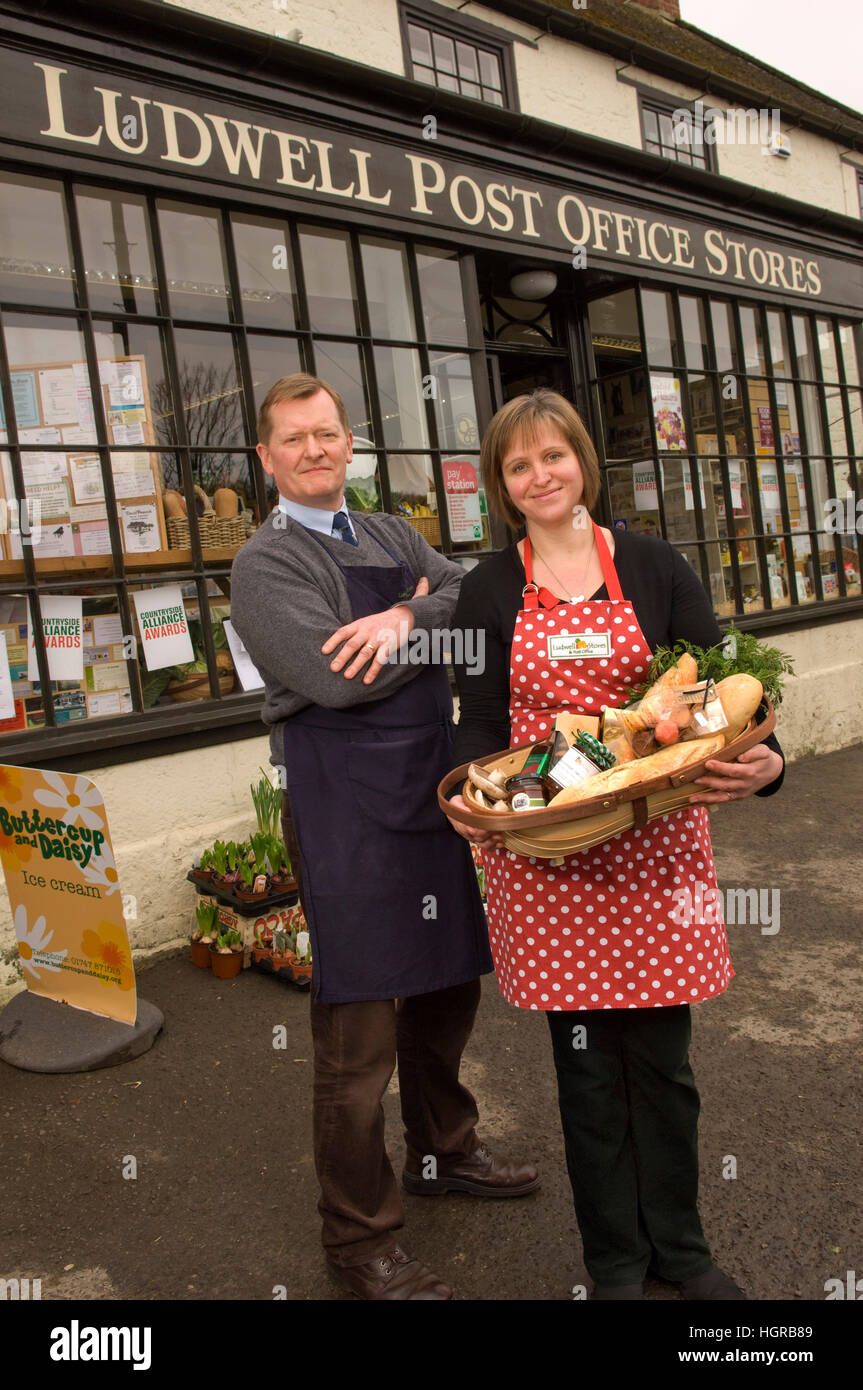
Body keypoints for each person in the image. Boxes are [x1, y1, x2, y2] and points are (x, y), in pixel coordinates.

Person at [447, 389, 785, 1302]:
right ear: (503, 485)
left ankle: (681, 1250)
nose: (539, 474)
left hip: (655, 847)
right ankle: (615, 1265)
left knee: (664, 1069)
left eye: (552, 455)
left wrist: (769, 765)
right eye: (519, 465)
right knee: (588, 1072)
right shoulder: (486, 589)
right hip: (546, 858)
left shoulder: (651, 563)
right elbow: (474, 723)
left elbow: (727, 689)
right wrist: (469, 808)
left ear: (581, 463)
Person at [230, 373, 539, 1302]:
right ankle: (358, 1238)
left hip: (425, 788)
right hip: (344, 807)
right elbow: (337, 677)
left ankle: (444, 1151)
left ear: (349, 440)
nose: (314, 451)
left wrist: (406, 612)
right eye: (294, 440)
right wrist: (424, 626)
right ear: (266, 458)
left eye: (327, 434)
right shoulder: (263, 563)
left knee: (446, 989)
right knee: (360, 1031)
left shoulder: (389, 532)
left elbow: (475, 601)